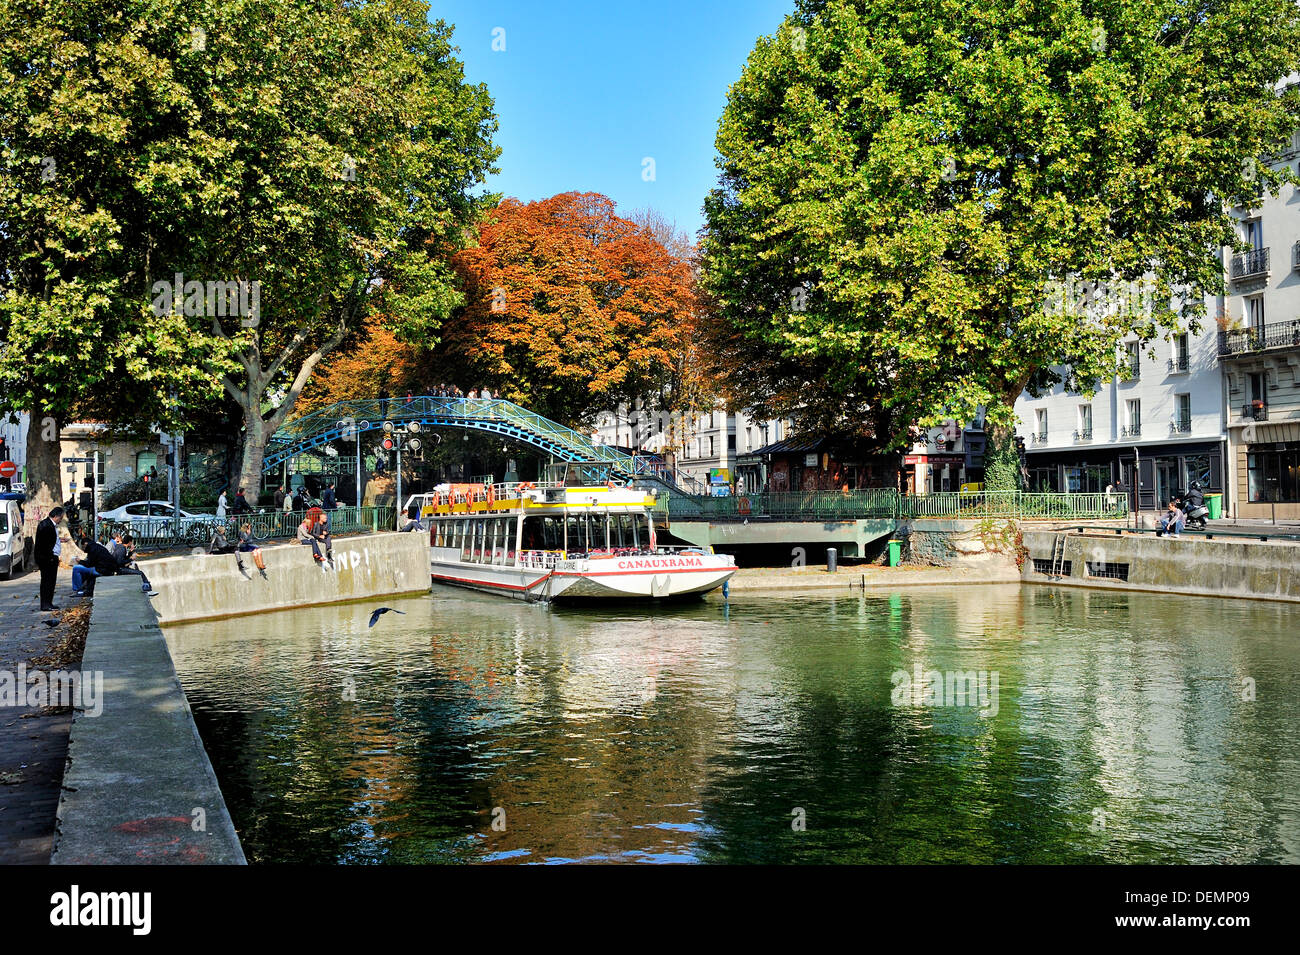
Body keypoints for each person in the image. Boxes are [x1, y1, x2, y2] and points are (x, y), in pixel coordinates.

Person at [34, 506, 65, 611]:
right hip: (47, 558)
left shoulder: (50, 525)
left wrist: (59, 540)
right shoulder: (46, 525)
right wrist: (50, 557)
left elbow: (51, 539)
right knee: (47, 581)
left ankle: (49, 602)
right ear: (56, 516)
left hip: (50, 557)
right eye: (61, 518)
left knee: (51, 581)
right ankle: (45, 604)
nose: (61, 520)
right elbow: (44, 544)